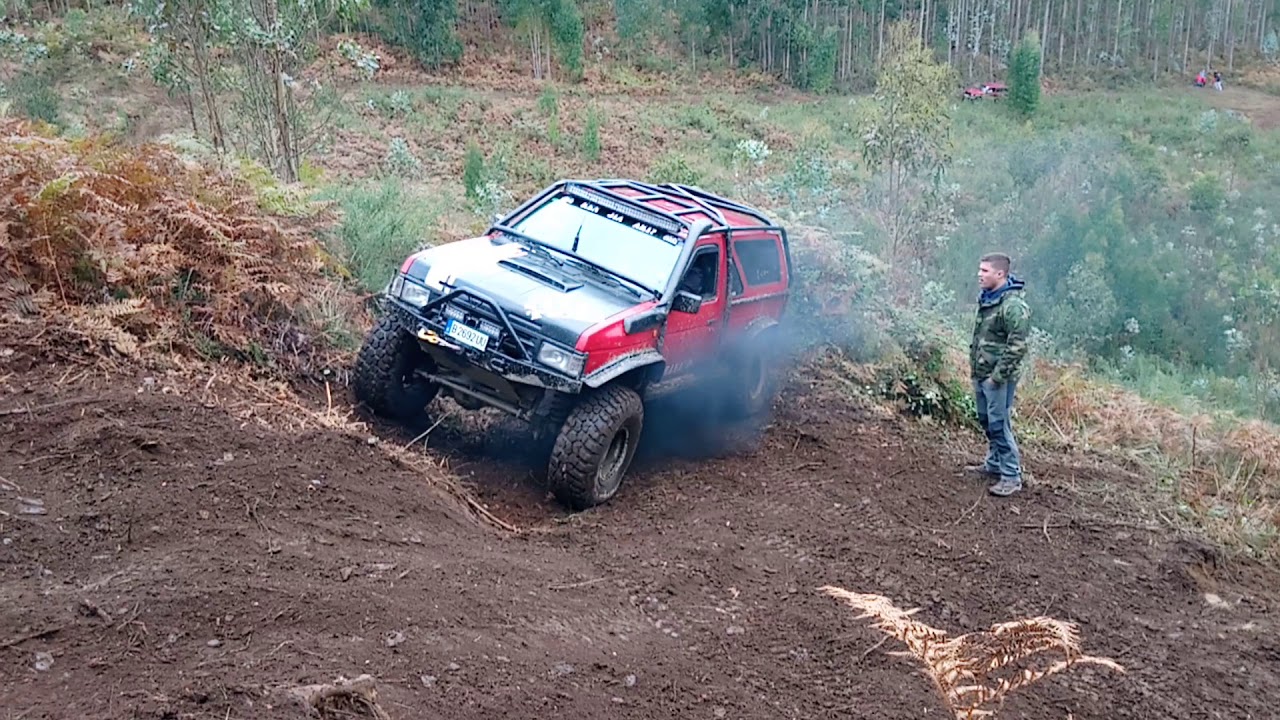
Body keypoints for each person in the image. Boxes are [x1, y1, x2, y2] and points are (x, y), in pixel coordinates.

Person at [967, 252, 1031, 497]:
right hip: (982, 373)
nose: (979, 275)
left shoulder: (1012, 306)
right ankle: (993, 464)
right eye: (980, 269)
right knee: (986, 420)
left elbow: (1018, 346)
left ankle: (1011, 475)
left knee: (998, 424)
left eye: (984, 271)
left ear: (1000, 274)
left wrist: (997, 377)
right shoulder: (989, 299)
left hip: (997, 378)